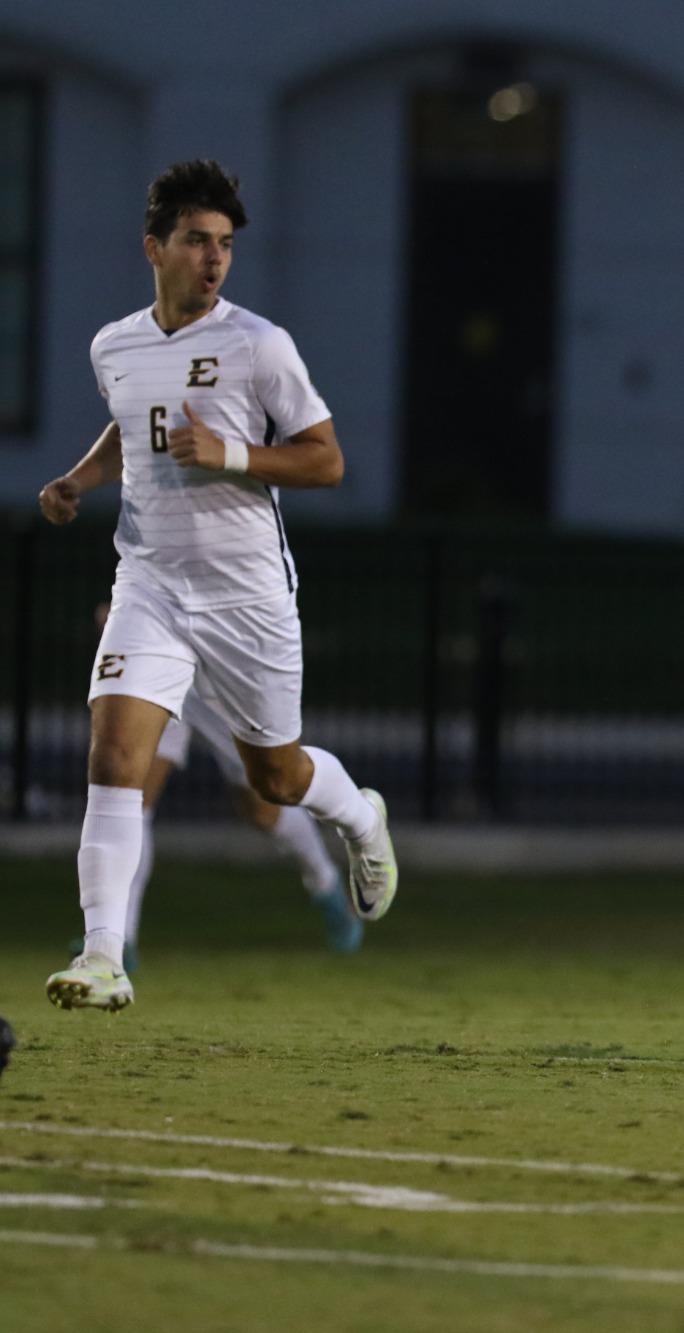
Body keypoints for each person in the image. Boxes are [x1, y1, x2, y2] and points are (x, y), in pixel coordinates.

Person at [35, 160, 397, 1013]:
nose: (214, 259)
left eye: (225, 245)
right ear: (154, 248)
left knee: (274, 781)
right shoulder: (113, 344)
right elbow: (135, 425)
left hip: (245, 597)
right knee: (115, 758)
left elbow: (327, 460)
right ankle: (101, 956)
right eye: (198, 241)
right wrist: (80, 481)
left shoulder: (257, 345)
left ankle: (359, 818)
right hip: (150, 583)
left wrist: (230, 454)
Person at [123, 688, 363, 971]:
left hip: (220, 683)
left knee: (263, 810)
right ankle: (118, 939)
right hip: (168, 672)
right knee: (132, 800)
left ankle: (324, 881)